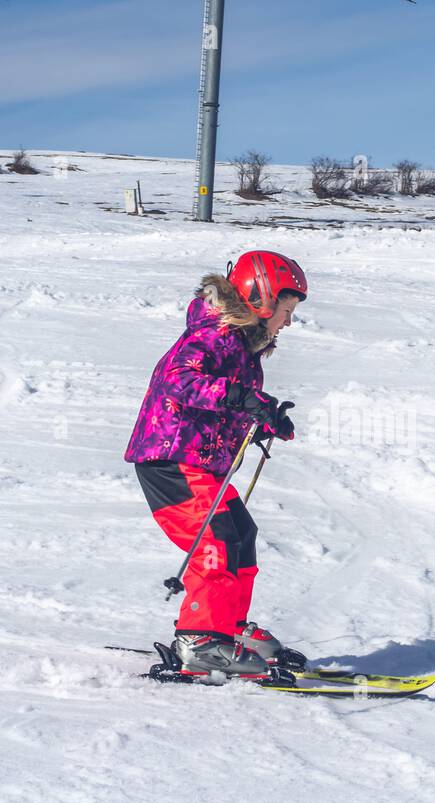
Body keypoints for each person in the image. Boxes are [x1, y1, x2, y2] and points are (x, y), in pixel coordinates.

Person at [124, 251, 307, 681]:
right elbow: (180, 380)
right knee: (217, 542)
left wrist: (260, 419)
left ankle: (226, 628)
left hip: (197, 463)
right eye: (287, 310)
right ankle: (199, 639)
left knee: (240, 535)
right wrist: (242, 399)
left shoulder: (241, 346)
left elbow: (223, 398)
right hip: (170, 459)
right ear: (261, 298)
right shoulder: (215, 334)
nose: (289, 322)